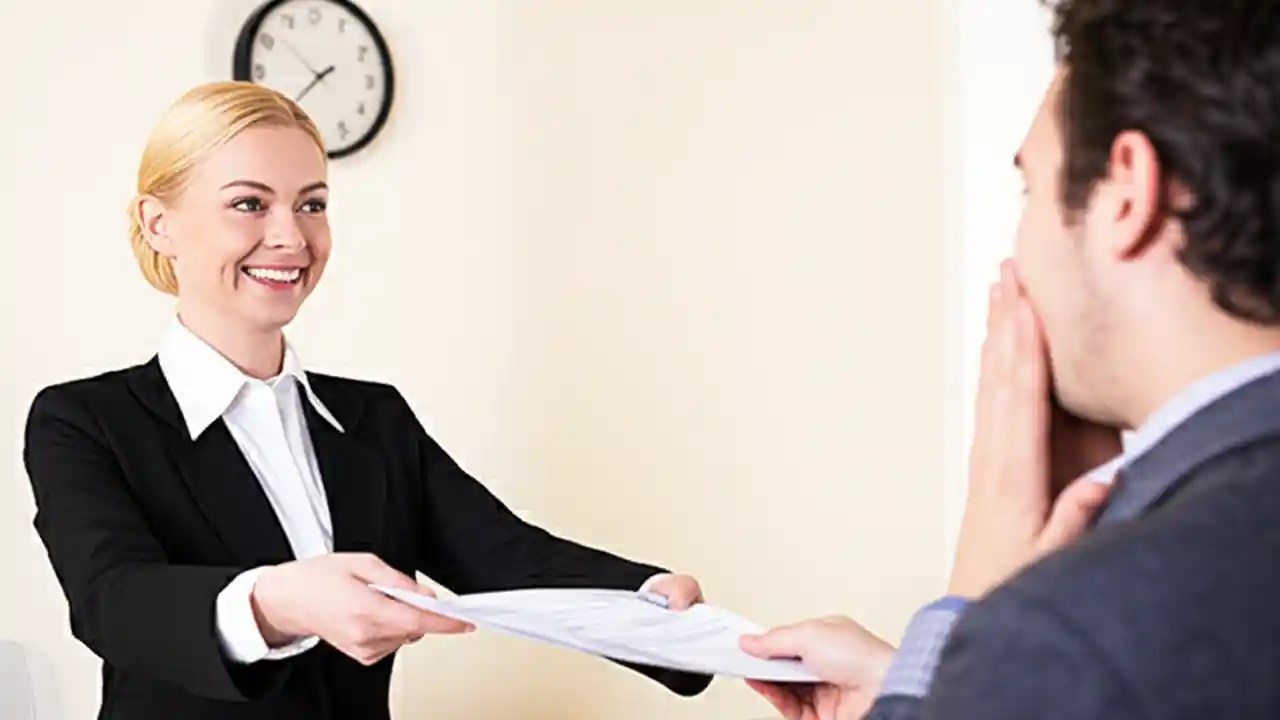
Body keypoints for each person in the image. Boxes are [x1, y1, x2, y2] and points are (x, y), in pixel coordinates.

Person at [22, 81, 711, 720]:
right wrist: (278, 602)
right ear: (158, 224)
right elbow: (113, 603)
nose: (292, 237)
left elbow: (508, 556)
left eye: (312, 204)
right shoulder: (85, 422)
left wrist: (656, 607)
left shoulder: (372, 419)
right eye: (249, 203)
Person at [740, 1, 1280, 718]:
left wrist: (976, 606)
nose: (1018, 248)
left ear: (1127, 193)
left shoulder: (1068, 628)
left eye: (1031, 188)